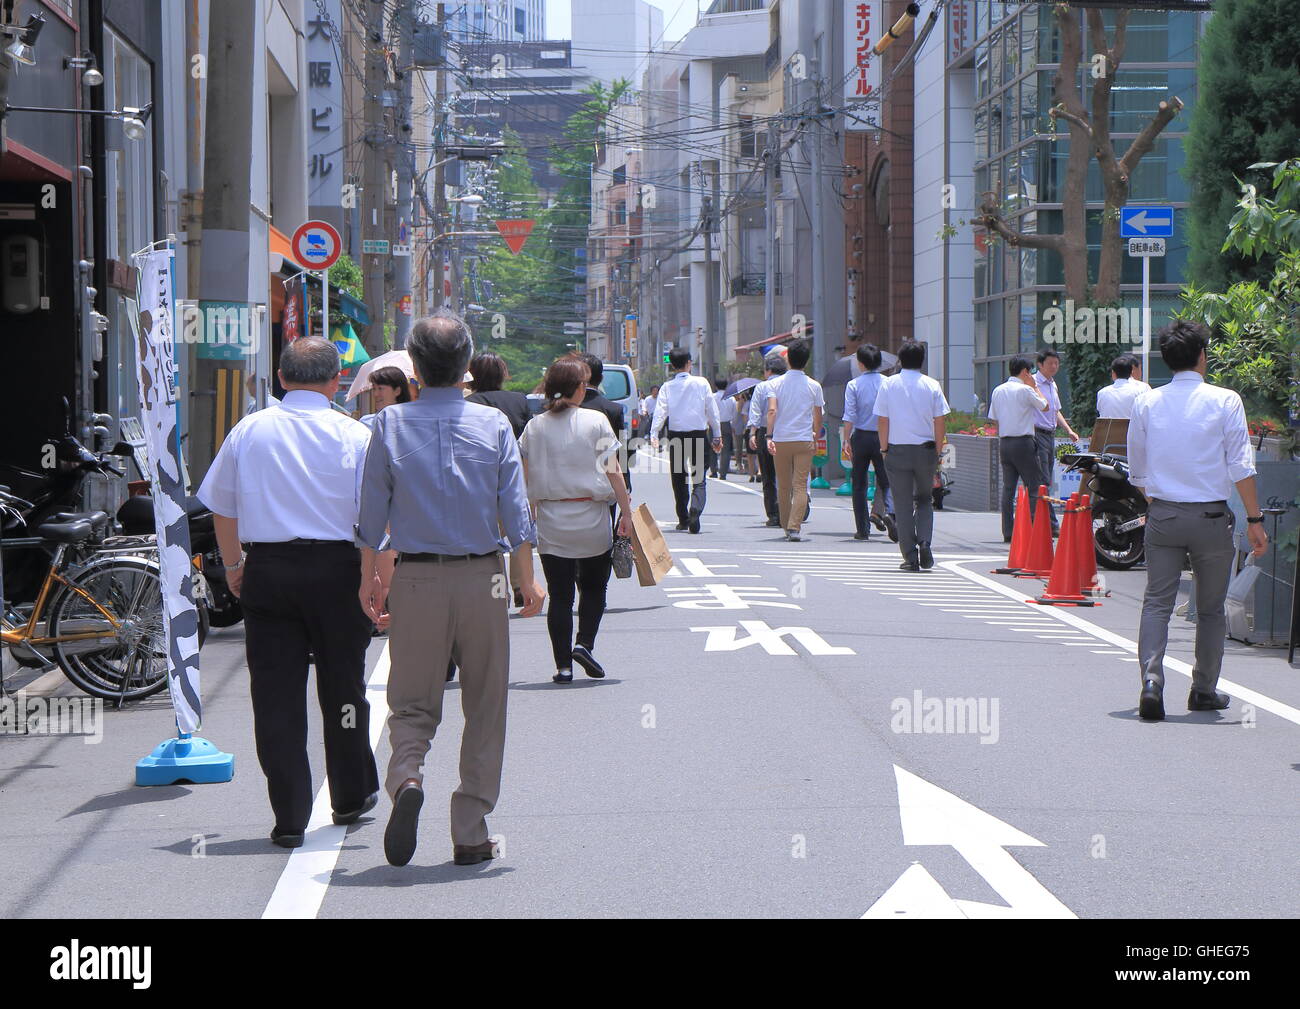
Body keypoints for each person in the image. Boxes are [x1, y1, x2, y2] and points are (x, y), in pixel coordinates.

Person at [356, 310, 545, 868]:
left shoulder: (389, 426)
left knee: (411, 701)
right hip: (483, 577)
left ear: (413, 367)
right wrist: (526, 581)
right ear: (466, 366)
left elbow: (370, 519)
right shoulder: (492, 427)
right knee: (485, 702)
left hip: (414, 575)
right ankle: (469, 827)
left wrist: (370, 581)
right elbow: (516, 517)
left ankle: (408, 775)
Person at [199, 338, 379, 849]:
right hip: (338, 569)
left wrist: (234, 565)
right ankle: (349, 793)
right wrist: (375, 576)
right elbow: (375, 520)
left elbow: (222, 506)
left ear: (281, 378)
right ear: (335, 380)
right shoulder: (355, 435)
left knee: (274, 695)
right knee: (343, 687)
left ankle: (289, 816)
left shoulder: (250, 430)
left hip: (269, 569)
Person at [1127, 320, 1268, 722]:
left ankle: (1151, 683)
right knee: (1209, 609)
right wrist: (1255, 520)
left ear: (1167, 359)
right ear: (1202, 356)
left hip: (1164, 514)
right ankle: (1203, 690)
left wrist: (1155, 497)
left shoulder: (1148, 402)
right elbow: (1241, 466)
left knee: (1157, 603)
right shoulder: (1225, 400)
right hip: (1210, 517)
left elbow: (1136, 468)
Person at [520, 357, 634, 684]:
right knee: (595, 587)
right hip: (592, 516)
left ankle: (563, 667)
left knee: (560, 594)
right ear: (577, 388)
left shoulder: (535, 425)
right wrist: (625, 513)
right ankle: (583, 644)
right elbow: (614, 471)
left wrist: (530, 514)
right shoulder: (596, 421)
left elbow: (525, 479)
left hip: (552, 518)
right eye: (583, 384)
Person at [876, 340, 951, 571]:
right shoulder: (932, 385)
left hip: (897, 450)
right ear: (922, 360)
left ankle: (910, 556)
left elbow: (882, 420)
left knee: (903, 504)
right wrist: (938, 451)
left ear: (900, 360)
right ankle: (925, 542)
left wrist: (884, 448)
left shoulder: (889, 384)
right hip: (926, 450)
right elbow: (940, 421)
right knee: (925, 499)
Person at [650, 348, 721, 534]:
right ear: (689, 363)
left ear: (672, 366)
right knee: (699, 478)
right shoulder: (701, 382)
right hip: (698, 434)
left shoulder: (667, 386)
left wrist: (654, 434)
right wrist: (717, 434)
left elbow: (660, 412)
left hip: (677, 436)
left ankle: (683, 518)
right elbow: (712, 411)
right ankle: (696, 508)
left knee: (678, 477)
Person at [765, 339, 824, 543]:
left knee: (783, 485)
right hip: (803, 439)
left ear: (788, 358)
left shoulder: (775, 384)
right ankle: (794, 527)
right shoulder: (814, 386)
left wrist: (769, 435)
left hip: (781, 440)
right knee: (800, 485)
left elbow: (772, 410)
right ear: (806, 361)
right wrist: (816, 432)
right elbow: (818, 415)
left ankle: (784, 524)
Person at [988, 356, 1050, 542]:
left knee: (1008, 488)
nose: (1031, 375)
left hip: (1005, 443)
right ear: (1024, 372)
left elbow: (994, 417)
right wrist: (1035, 387)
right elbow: (1045, 406)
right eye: (1029, 372)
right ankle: (1033, 528)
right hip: (1023, 442)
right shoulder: (1025, 390)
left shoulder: (998, 390)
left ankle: (1008, 531)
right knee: (1034, 485)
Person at [841, 343, 898, 543]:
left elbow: (850, 415)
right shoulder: (888, 383)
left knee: (859, 484)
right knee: (886, 480)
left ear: (860, 363)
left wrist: (846, 440)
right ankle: (891, 514)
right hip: (883, 436)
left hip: (861, 437)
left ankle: (862, 529)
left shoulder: (854, 385)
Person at [1032, 349, 1081, 535]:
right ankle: (1051, 524)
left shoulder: (1053, 384)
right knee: (1043, 479)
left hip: (1050, 434)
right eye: (1050, 363)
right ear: (1040, 364)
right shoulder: (1033, 384)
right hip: (1037, 434)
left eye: (1056, 363)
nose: (1054, 367)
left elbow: (1056, 411)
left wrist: (1068, 430)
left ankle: (1042, 521)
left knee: (1045, 479)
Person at [576, 352, 631, 492]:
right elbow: (620, 450)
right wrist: (625, 483)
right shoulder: (614, 409)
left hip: (570, 483)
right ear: (601, 378)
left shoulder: (565, 408)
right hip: (606, 483)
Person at [747, 352, 788, 526]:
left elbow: (755, 412)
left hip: (765, 432)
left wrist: (752, 433)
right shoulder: (788, 384)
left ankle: (773, 513)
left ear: (769, 370)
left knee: (768, 476)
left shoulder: (762, 387)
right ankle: (787, 510)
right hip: (787, 432)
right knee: (786, 474)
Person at [465, 351, 530, 437]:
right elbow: (529, 436)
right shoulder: (519, 400)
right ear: (501, 375)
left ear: (472, 375)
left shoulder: (467, 403)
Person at [1096, 354, 1147, 420]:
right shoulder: (1142, 389)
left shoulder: (1102, 393)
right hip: (1132, 429)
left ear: (1113, 373)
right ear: (1131, 372)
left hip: (1108, 429)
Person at [710, 379, 735, 479]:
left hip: (714, 424)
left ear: (716, 386)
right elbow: (734, 412)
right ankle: (723, 473)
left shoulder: (712, 397)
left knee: (713, 447)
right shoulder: (731, 398)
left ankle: (714, 471)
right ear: (726, 386)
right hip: (727, 424)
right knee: (726, 449)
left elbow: (708, 410)